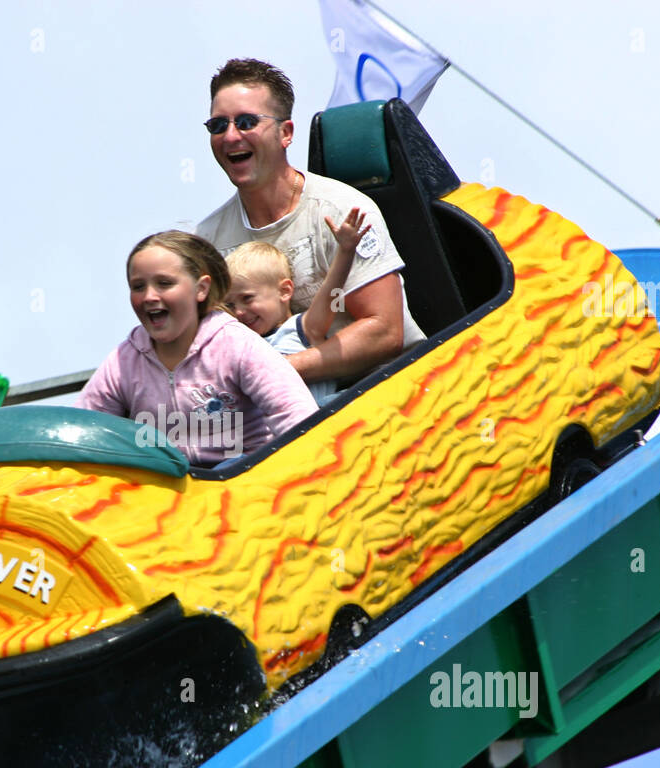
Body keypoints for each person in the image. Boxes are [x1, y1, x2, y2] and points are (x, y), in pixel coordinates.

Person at [196, 58, 425, 393]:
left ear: (286, 133)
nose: (231, 136)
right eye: (218, 126)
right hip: (280, 414)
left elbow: (384, 332)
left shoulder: (340, 210)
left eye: (246, 122)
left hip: (387, 394)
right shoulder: (207, 242)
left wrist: (274, 373)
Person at [77, 230, 316, 467]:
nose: (149, 296)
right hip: (173, 488)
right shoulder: (124, 361)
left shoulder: (235, 343)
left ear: (201, 289)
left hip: (244, 479)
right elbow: (82, 434)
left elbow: (295, 413)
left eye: (164, 283)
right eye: (138, 286)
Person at [224, 208, 371, 405]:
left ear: (284, 291)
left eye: (248, 298)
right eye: (230, 305)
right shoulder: (242, 346)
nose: (239, 312)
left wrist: (346, 250)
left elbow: (332, 292)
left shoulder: (303, 328)